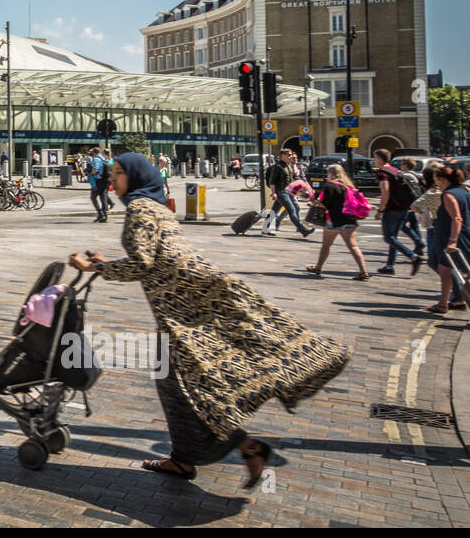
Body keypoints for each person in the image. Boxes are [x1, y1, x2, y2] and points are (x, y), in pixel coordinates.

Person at [70, 153, 349, 488]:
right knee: (183, 380)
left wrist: (94, 268)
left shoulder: (139, 209)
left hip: (185, 309)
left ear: (135, 176)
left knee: (183, 384)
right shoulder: (155, 206)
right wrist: (107, 262)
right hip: (197, 299)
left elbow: (142, 264)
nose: (112, 180)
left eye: (118, 173)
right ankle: (188, 458)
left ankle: (240, 447)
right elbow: (154, 256)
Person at [305, 164, 370, 280]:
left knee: (326, 246)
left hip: (334, 221)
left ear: (330, 174)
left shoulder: (330, 186)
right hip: (350, 219)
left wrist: (314, 201)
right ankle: (363, 271)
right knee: (353, 246)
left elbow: (324, 203)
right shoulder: (348, 186)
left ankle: (318, 268)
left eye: (327, 173)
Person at [425, 165, 470, 314]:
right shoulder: (464, 191)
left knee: (457, 270)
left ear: (442, 179)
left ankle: (460, 297)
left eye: (435, 179)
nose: (435, 183)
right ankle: (443, 304)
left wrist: (453, 240)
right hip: (460, 234)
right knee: (445, 271)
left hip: (453, 236)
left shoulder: (448, 195)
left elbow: (456, 218)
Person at [373, 148, 423, 276]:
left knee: (389, 237)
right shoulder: (394, 170)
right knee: (393, 238)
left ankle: (413, 257)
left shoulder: (382, 173)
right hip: (403, 207)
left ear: (379, 158)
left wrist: (380, 209)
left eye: (375, 158)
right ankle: (390, 266)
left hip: (392, 208)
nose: (374, 160)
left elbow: (385, 191)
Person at [262, 147, 313, 237]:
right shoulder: (277, 166)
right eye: (289, 155)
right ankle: (303, 230)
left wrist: (307, 187)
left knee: (274, 211)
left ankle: (265, 228)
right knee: (292, 210)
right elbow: (272, 181)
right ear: (283, 155)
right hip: (280, 192)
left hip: (287, 192)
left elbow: (296, 178)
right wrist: (273, 193)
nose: (291, 157)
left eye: (291, 155)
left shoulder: (289, 166)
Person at [86, 146, 109, 222]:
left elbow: (95, 169)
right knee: (103, 198)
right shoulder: (104, 158)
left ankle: (101, 214)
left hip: (98, 181)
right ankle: (104, 216)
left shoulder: (96, 159)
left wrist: (91, 173)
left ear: (94, 153)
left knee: (93, 198)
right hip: (105, 181)